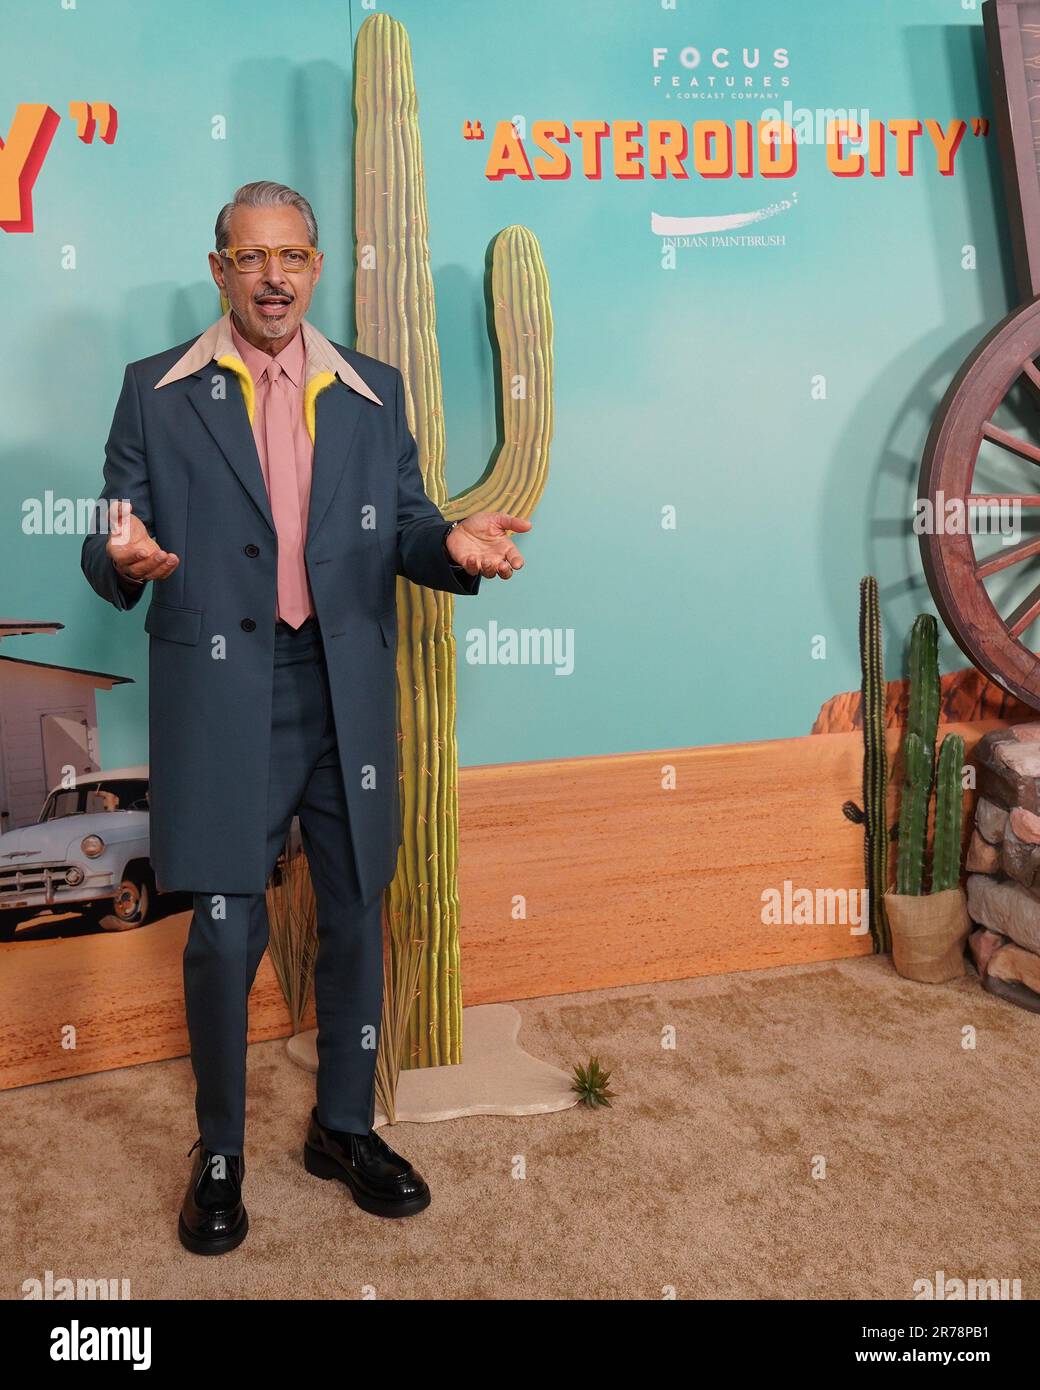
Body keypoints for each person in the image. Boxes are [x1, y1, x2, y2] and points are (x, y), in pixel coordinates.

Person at [81, 180, 530, 1255]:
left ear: (316, 268)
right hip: (223, 692)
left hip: (345, 687)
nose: (272, 276)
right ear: (220, 270)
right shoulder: (155, 391)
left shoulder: (372, 390)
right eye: (251, 257)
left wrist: (448, 544)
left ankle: (342, 1126)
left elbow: (407, 525)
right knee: (224, 929)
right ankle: (220, 1150)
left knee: (355, 906)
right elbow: (108, 539)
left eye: (290, 256)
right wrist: (123, 559)